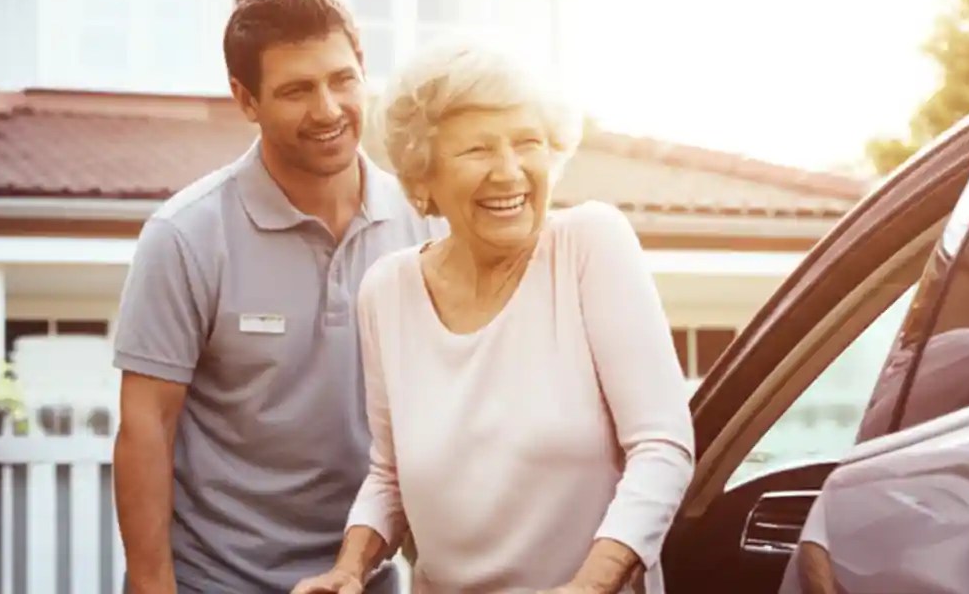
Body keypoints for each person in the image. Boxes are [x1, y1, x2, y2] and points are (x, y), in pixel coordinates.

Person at [292, 41, 696, 594]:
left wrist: (588, 587)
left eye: (527, 143)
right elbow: (389, 475)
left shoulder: (589, 245)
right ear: (423, 179)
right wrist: (349, 568)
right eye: (477, 150)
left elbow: (661, 447)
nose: (509, 173)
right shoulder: (388, 291)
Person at [111, 0, 445, 593]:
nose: (327, 109)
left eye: (342, 79)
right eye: (296, 90)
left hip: (364, 577)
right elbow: (145, 427)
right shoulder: (186, 236)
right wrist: (151, 585)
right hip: (217, 579)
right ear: (246, 99)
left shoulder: (423, 219)